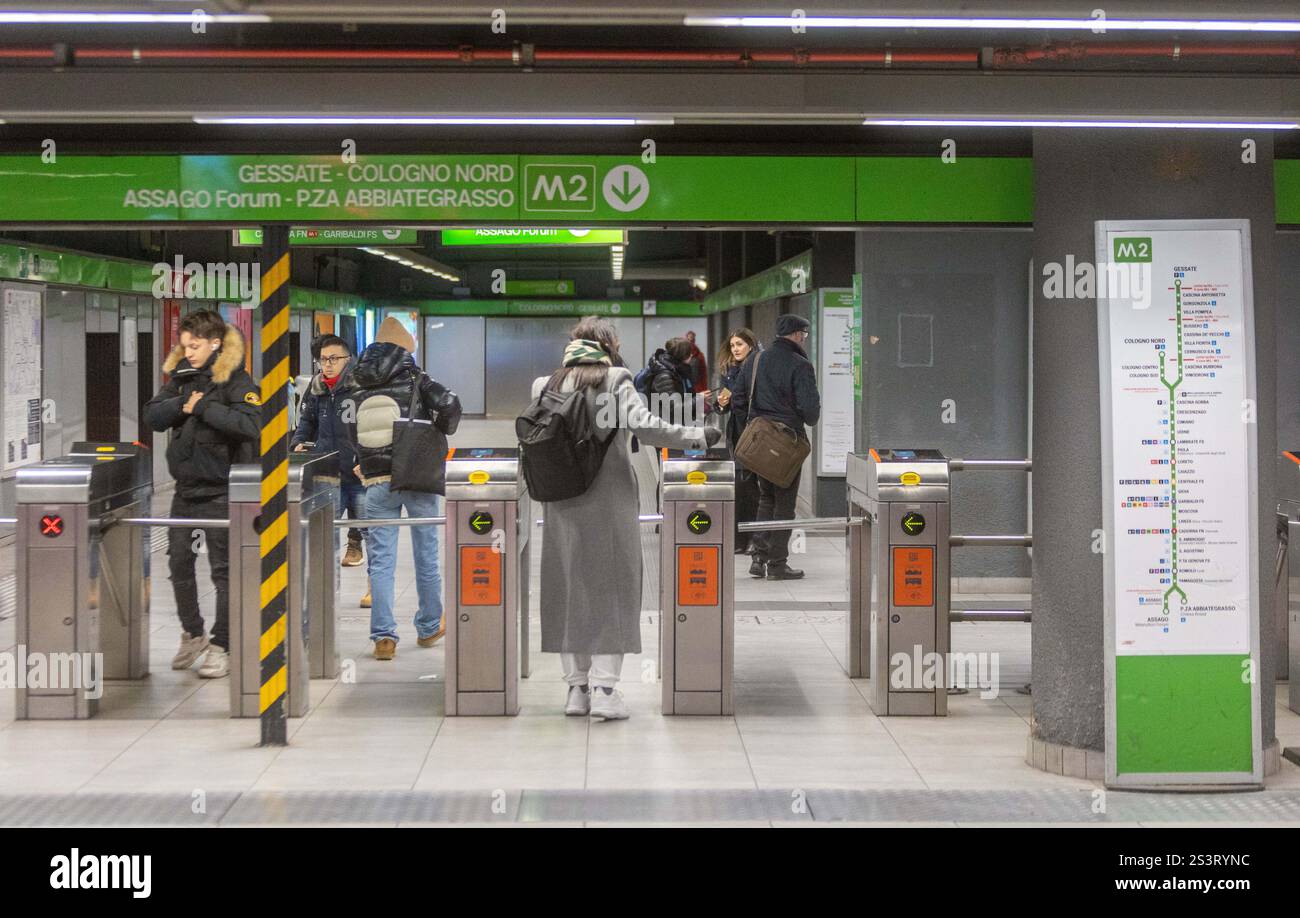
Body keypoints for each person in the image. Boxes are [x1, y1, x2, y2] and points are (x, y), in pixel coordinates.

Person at [533, 317, 720, 721]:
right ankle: (604, 690)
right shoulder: (615, 379)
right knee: (613, 588)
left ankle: (576, 690)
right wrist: (697, 436)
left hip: (561, 500)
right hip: (608, 496)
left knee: (570, 588)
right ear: (608, 345)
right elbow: (647, 428)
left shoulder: (544, 384)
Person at [144, 309, 261, 679]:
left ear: (215, 344)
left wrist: (206, 406)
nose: (188, 352)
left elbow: (251, 425)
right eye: (184, 345)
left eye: (195, 345)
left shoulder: (237, 381)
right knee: (179, 564)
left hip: (221, 492)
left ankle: (221, 644)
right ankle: (192, 632)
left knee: (223, 572)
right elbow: (153, 415)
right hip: (185, 491)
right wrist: (183, 403)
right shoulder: (181, 379)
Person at [339, 316, 462, 661]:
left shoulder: (355, 381)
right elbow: (450, 405)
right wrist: (438, 429)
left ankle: (383, 638)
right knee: (426, 556)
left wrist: (365, 456)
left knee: (380, 561)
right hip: (417, 475)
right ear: (405, 349)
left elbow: (349, 424)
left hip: (376, 481)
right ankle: (426, 627)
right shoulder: (416, 377)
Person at [731, 313, 821, 581]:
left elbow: (737, 400)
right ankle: (778, 564)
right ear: (795, 334)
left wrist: (755, 422)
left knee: (765, 497)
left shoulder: (755, 361)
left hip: (759, 441)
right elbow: (811, 414)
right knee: (783, 503)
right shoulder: (800, 365)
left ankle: (758, 558)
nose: (804, 339)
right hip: (786, 444)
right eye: (803, 335)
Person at [291, 333, 371, 608]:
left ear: (348, 359)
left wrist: (370, 459)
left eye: (334, 359)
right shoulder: (317, 389)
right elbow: (306, 421)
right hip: (327, 476)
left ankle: (374, 589)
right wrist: (298, 442)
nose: (327, 365)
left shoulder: (363, 387)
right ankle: (326, 593)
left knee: (374, 538)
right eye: (323, 360)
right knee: (324, 539)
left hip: (361, 476)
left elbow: (375, 428)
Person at [712, 328, 761, 555]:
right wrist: (721, 403)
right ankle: (740, 538)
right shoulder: (730, 370)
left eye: (739, 344)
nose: (735, 349)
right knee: (741, 486)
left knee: (751, 487)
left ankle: (753, 537)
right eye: (732, 346)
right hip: (737, 433)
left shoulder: (760, 367)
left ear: (751, 344)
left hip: (758, 432)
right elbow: (723, 408)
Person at [644, 336, 697, 424]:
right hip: (665, 430)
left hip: (678, 425)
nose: (691, 355)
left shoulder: (680, 370)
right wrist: (699, 400)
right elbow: (675, 408)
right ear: (682, 355)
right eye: (689, 353)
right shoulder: (664, 376)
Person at [684, 330, 710, 396]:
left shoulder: (699, 356)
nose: (690, 342)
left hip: (697, 388)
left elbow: (703, 374)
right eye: (688, 339)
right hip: (685, 388)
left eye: (692, 340)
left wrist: (704, 390)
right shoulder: (681, 354)